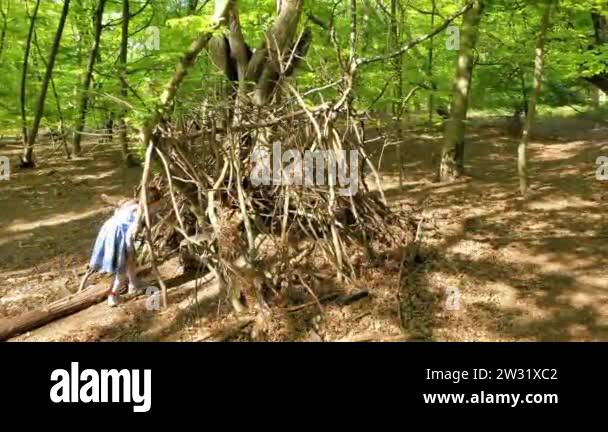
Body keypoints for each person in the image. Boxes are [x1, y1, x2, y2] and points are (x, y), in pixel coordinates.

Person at [82, 187, 163, 307]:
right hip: (118, 237)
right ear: (152, 203)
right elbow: (130, 233)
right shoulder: (139, 214)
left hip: (109, 230)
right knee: (122, 269)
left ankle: (134, 284)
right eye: (158, 203)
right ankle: (112, 296)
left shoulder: (132, 204)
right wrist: (129, 250)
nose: (159, 206)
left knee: (131, 261)